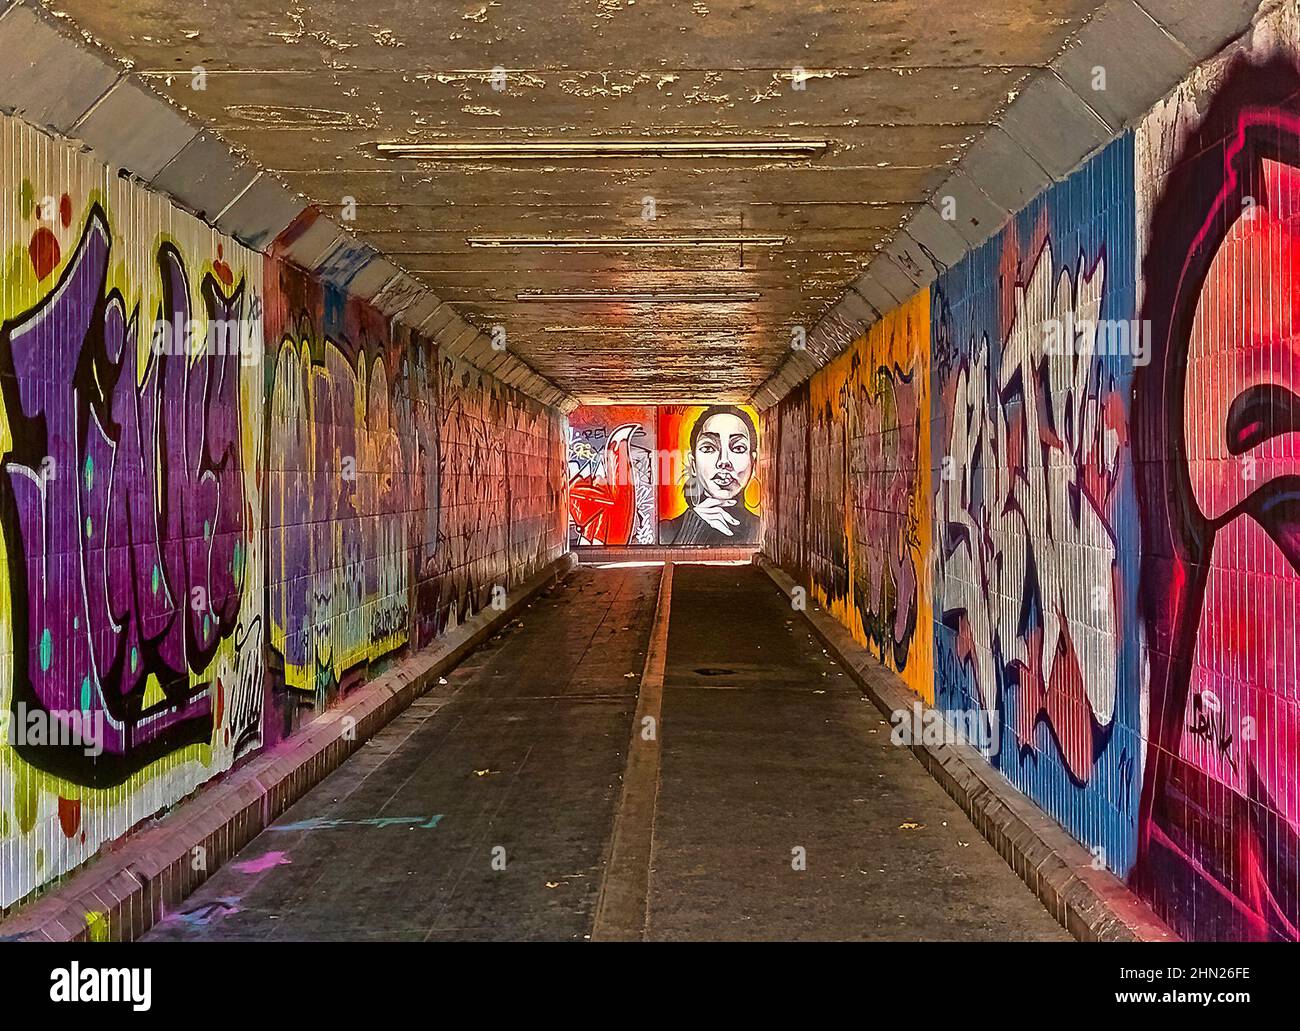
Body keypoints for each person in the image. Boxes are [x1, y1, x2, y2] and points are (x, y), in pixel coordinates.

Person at [659, 405, 760, 545]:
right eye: (708, 448)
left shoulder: (765, 531)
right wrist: (692, 529)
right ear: (693, 464)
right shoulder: (665, 532)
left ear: (753, 463)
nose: (723, 461)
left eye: (738, 448)